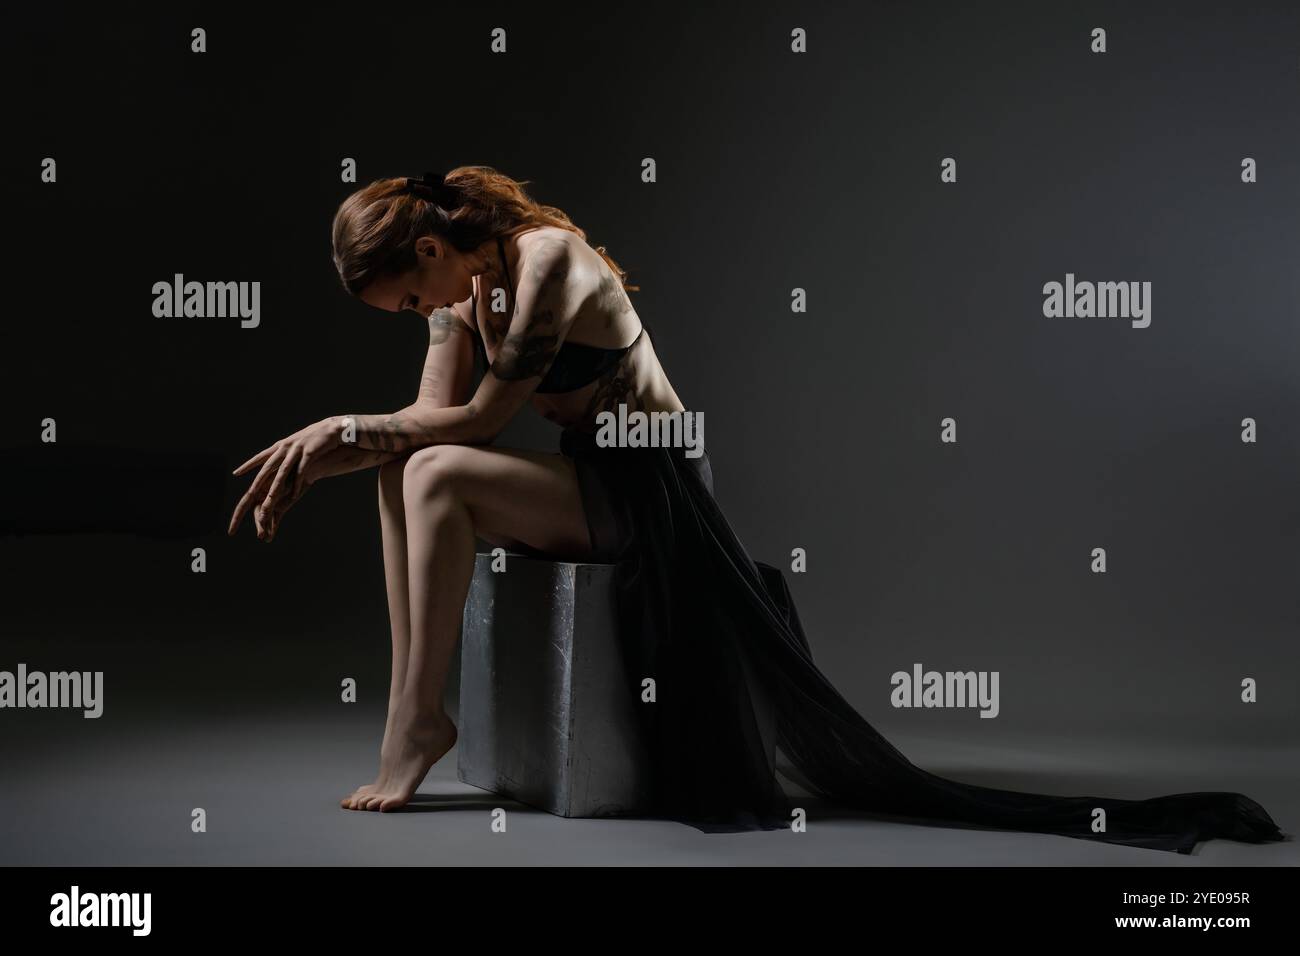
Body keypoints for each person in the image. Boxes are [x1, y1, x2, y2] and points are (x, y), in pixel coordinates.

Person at [228, 166, 1286, 853]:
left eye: (414, 299)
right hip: (586, 476)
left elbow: (486, 416)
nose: (423, 315)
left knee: (427, 471)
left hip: (656, 489)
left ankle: (416, 721)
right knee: (398, 466)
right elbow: (427, 414)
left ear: (428, 252)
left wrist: (342, 429)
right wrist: (340, 446)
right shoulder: (460, 291)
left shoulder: (546, 261)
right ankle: (414, 714)